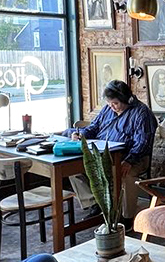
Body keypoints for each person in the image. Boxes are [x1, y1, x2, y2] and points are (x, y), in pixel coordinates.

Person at [67, 80, 157, 223]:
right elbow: (93, 128)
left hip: (132, 157)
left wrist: (129, 160)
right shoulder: (108, 109)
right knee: (71, 169)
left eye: (115, 103)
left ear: (126, 99)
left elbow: (142, 142)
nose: (112, 106)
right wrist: (81, 135)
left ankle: (127, 217)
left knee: (124, 173)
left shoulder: (141, 113)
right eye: (109, 103)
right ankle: (96, 203)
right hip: (102, 155)